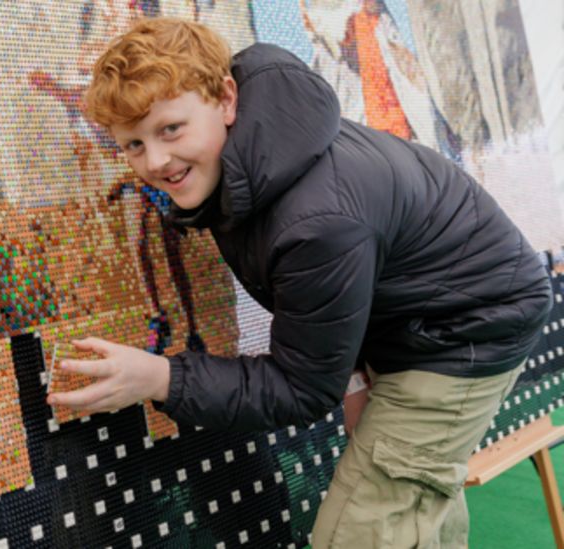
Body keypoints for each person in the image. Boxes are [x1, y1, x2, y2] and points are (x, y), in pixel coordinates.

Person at [45, 16, 552, 548]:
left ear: (226, 98)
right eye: (133, 145)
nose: (156, 161)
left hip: (468, 328)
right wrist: (355, 380)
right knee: (406, 495)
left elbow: (302, 386)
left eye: (171, 129)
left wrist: (159, 378)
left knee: (356, 532)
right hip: (419, 312)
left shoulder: (314, 220)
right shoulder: (259, 151)